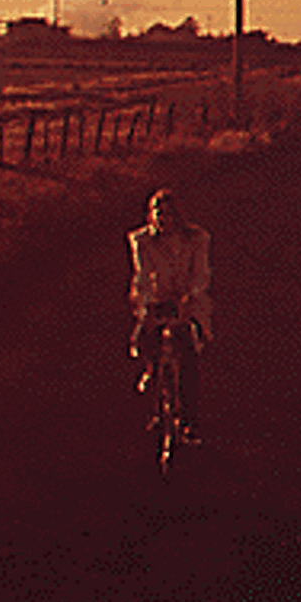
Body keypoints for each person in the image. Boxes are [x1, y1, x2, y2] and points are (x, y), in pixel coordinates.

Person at [127, 187, 212, 443]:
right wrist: (145, 306)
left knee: (187, 353)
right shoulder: (142, 241)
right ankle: (152, 371)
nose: (164, 220)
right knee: (146, 338)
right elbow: (142, 276)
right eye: (159, 214)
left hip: (189, 299)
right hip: (158, 299)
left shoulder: (196, 239)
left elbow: (201, 274)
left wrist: (188, 297)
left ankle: (189, 420)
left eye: (169, 214)